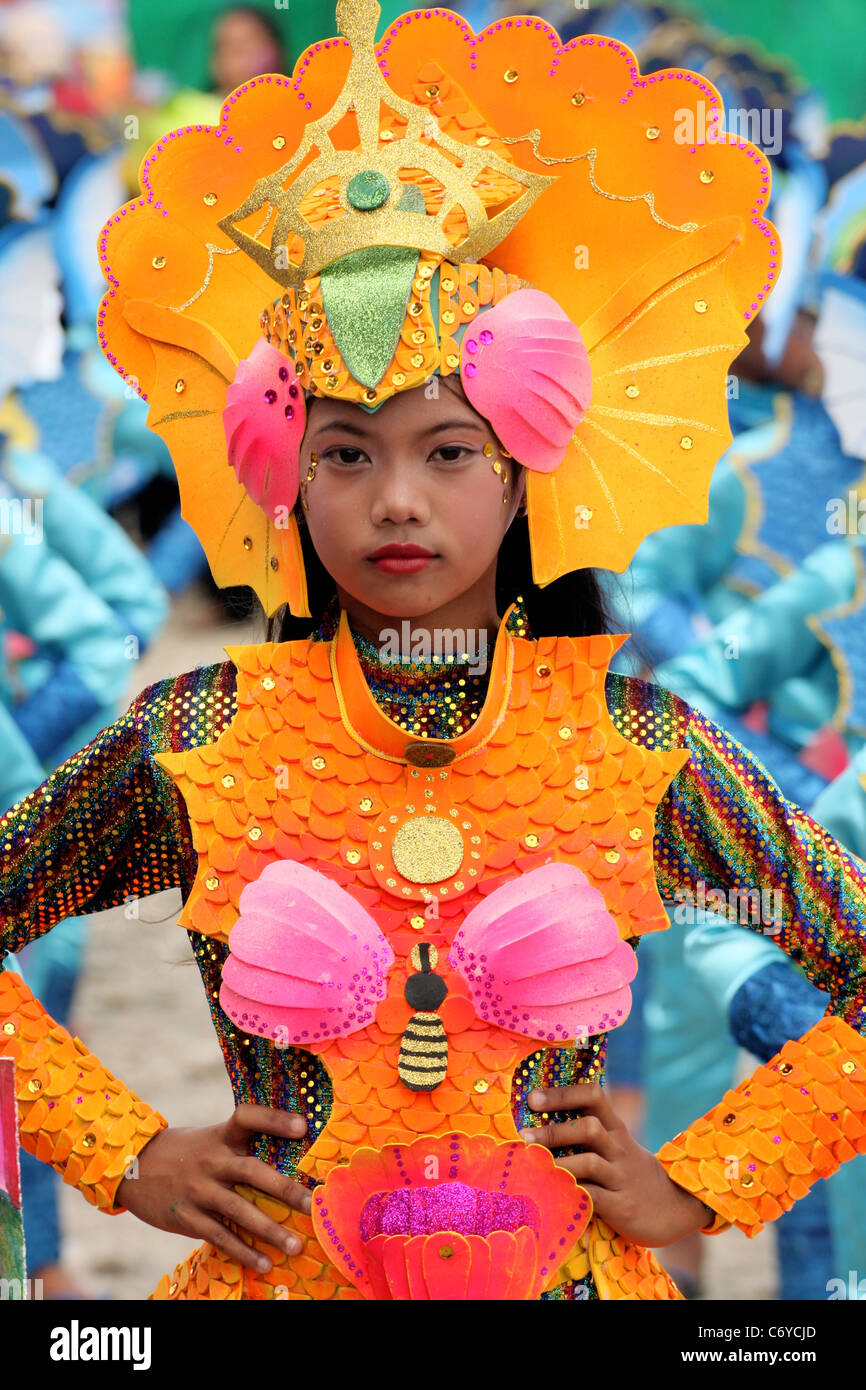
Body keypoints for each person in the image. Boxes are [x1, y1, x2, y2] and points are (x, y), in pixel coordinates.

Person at [2, 1, 865, 1301]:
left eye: (447, 450)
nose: (395, 500)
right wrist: (131, 1152)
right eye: (347, 450)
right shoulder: (194, 738)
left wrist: (703, 1176)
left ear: (527, 472)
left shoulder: (636, 744)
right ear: (286, 469)